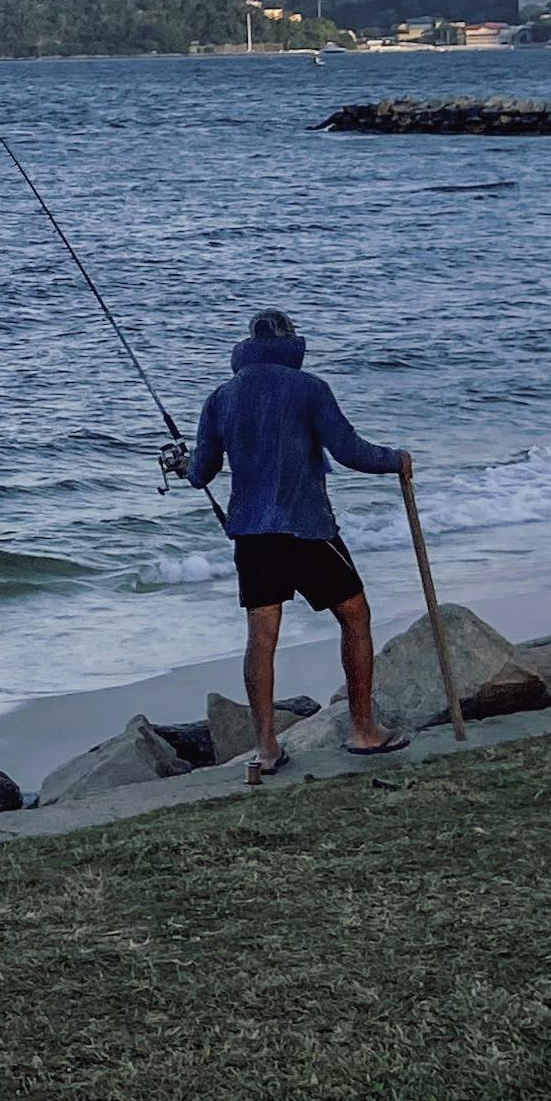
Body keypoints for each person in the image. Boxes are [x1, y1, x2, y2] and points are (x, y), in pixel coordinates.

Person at [163, 309, 412, 775]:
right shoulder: (309, 388)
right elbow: (349, 450)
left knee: (261, 639)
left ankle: (266, 749)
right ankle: (363, 730)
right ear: (292, 342)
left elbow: (201, 474)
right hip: (308, 529)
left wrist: (183, 464)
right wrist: (396, 459)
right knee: (356, 617)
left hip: (253, 537)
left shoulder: (222, 397)